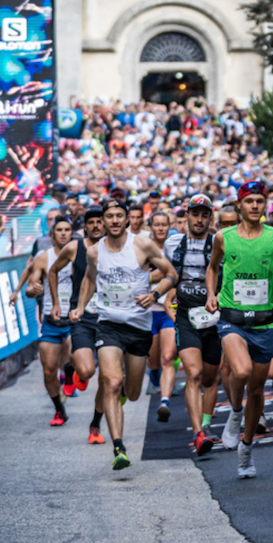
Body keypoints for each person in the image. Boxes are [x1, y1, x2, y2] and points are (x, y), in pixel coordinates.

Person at [72, 198, 178, 471]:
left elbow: (171, 274)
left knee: (131, 393)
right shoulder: (95, 252)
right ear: (103, 221)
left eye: (120, 215)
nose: (115, 220)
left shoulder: (141, 245)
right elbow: (89, 279)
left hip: (139, 327)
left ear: (128, 219)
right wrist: (81, 307)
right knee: (111, 382)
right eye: (110, 216)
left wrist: (154, 293)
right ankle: (118, 447)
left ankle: (117, 401)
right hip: (109, 325)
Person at [205, 180, 273, 479]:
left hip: (264, 321)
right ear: (239, 205)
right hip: (232, 318)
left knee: (257, 390)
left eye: (259, 201)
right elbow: (212, 267)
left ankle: (246, 447)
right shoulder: (223, 237)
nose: (255, 206)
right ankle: (235, 413)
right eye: (249, 201)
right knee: (240, 371)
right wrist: (211, 294)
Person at [163, 194, 220, 457]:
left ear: (211, 218)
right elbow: (167, 275)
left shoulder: (218, 242)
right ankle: (199, 434)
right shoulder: (173, 243)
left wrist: (219, 296)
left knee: (209, 378)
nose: (199, 219)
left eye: (204, 214)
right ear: (186, 216)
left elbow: (226, 274)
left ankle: (206, 422)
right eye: (195, 214)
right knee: (194, 374)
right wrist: (161, 299)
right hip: (186, 315)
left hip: (214, 318)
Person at [48, 206, 107, 444]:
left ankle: (95, 425)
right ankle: (73, 370)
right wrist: (56, 303)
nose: (95, 226)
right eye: (90, 222)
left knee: (108, 379)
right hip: (81, 316)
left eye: (99, 222)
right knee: (88, 371)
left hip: (109, 318)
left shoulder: (116, 249)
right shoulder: (74, 247)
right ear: (85, 226)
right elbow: (53, 271)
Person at [15, 216, 77, 427]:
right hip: (51, 319)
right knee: (49, 370)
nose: (63, 233)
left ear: (72, 233)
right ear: (52, 234)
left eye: (67, 230)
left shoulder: (80, 256)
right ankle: (59, 409)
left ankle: (70, 373)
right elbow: (30, 289)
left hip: (73, 318)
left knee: (73, 351)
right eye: (59, 230)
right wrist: (33, 290)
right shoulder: (43, 258)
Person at [146, 211, 178, 421]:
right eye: (156, 225)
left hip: (169, 309)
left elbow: (176, 272)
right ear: (151, 226)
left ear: (169, 226)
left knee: (168, 357)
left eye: (163, 225)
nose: (160, 228)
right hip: (148, 311)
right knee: (154, 360)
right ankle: (155, 379)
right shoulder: (142, 247)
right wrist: (162, 272)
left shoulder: (176, 246)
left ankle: (165, 401)